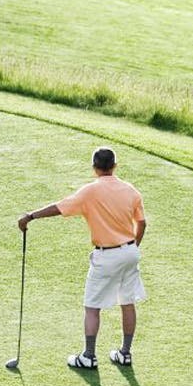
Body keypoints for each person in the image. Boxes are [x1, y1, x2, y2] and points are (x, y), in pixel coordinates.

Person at [17, 147, 147, 369]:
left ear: (95, 168)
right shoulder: (131, 190)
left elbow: (59, 207)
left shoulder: (90, 191)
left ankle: (88, 356)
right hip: (130, 252)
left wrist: (30, 216)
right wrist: (132, 247)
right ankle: (125, 353)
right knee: (127, 302)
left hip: (106, 255)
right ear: (115, 166)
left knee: (92, 307)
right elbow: (142, 223)